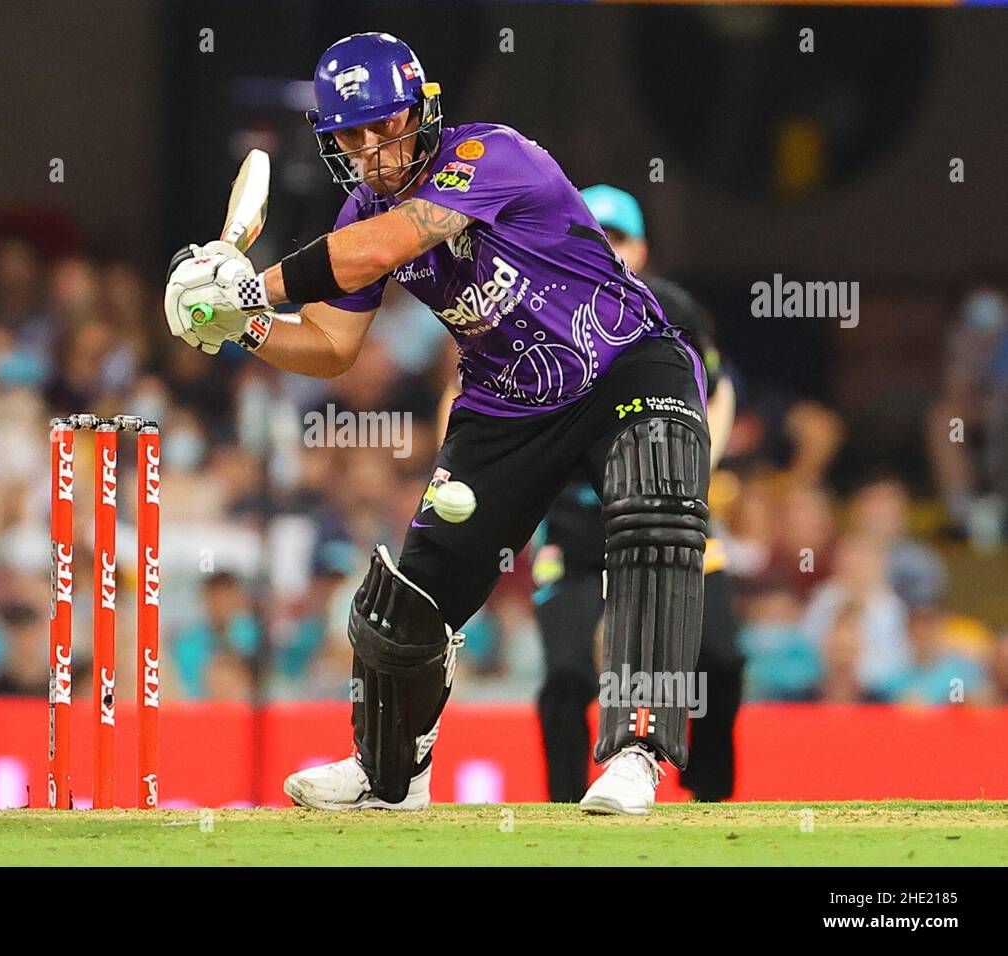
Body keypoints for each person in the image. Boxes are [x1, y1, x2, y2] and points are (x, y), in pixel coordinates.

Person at [163, 33, 711, 815]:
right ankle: (389, 777)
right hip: (507, 399)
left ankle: (636, 754)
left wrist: (249, 283)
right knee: (408, 603)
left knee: (655, 518)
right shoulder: (360, 213)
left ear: (421, 112)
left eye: (381, 127)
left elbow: (388, 243)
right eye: (348, 139)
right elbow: (329, 345)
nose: (367, 152)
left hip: (625, 361)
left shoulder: (489, 154)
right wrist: (237, 327)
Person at [526, 186, 744, 804]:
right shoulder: (537, 311)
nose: (608, 250)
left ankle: (710, 796)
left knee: (721, 662)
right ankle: (566, 812)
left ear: (641, 248)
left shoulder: (675, 308)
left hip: (671, 507)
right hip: (576, 521)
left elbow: (718, 391)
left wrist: (697, 465)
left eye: (617, 238)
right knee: (567, 679)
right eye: (594, 236)